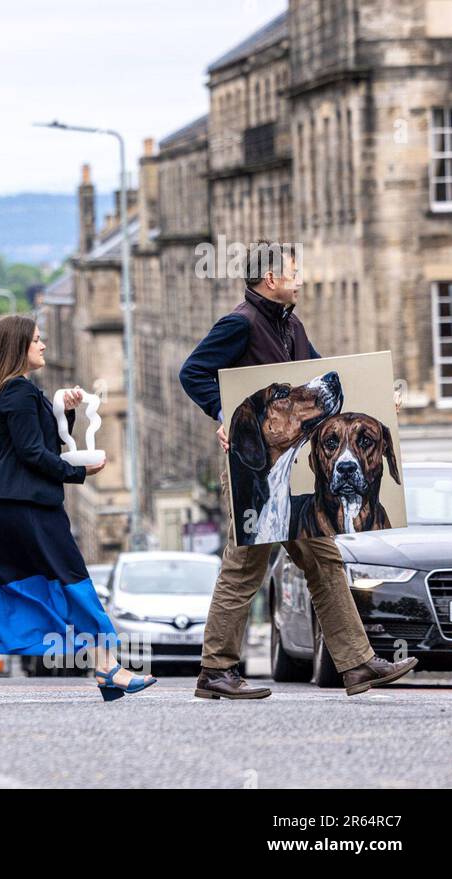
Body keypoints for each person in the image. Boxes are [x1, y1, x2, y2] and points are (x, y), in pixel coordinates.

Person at [179, 240, 418, 698]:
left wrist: (377, 402)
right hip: (253, 470)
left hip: (287, 478)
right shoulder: (240, 324)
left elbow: (329, 375)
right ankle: (215, 670)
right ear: (271, 279)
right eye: (294, 271)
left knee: (324, 560)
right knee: (246, 563)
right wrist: (224, 414)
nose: (301, 278)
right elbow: (192, 373)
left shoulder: (291, 325)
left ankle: (356, 663)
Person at [0, 315, 153, 703]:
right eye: (36, 340)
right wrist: (77, 471)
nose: (43, 345)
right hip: (25, 507)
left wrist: (62, 412)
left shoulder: (16, 390)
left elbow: (34, 443)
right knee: (73, 580)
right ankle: (107, 668)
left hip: (5, 507)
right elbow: (33, 454)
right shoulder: (16, 391)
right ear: (18, 347)